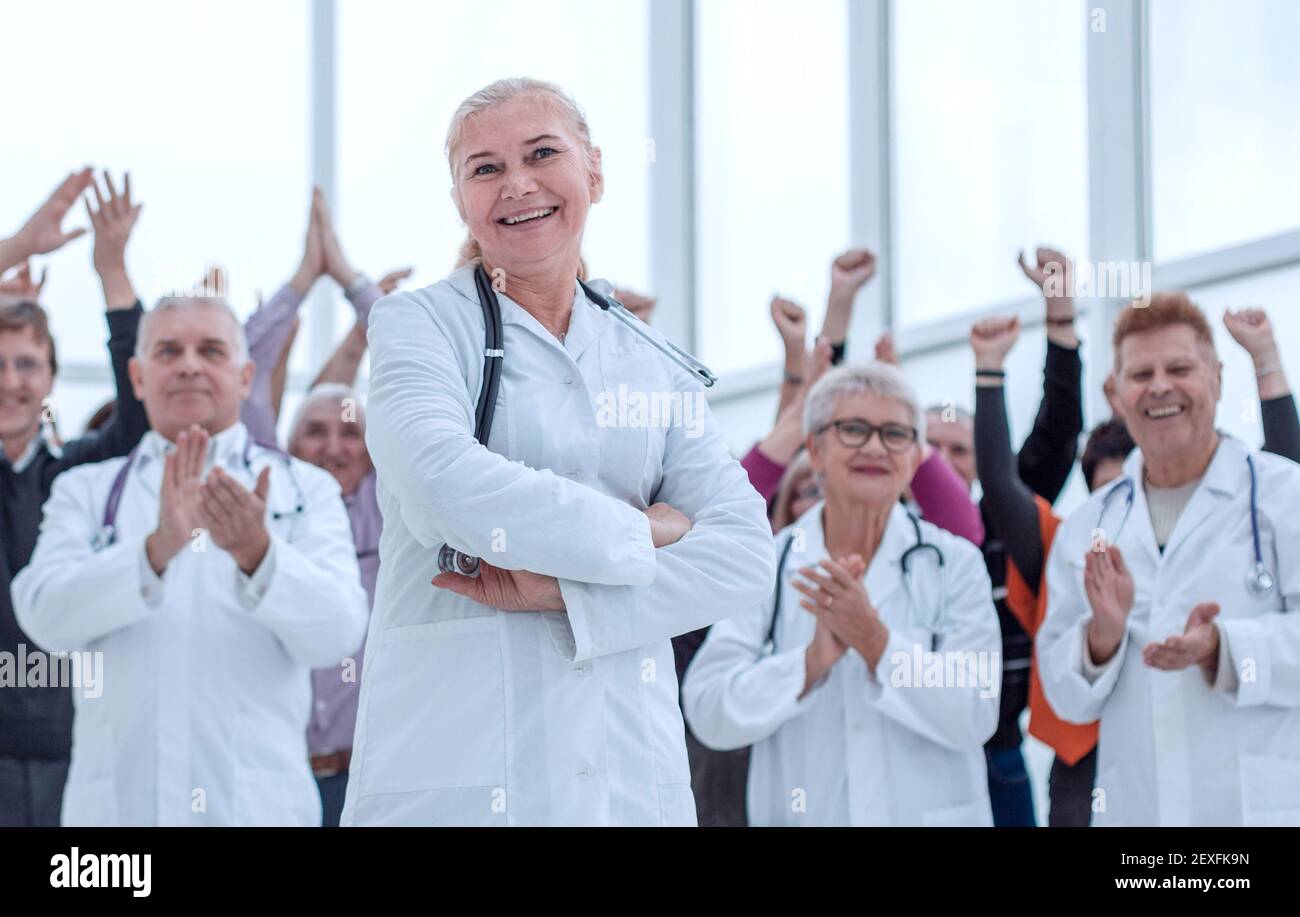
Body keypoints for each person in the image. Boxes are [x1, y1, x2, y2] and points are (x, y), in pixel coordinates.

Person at [340, 77, 774, 827]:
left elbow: (743, 556)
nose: (518, 184)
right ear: (461, 202)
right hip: (453, 778)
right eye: (485, 168)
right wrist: (647, 531)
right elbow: (442, 488)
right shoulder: (416, 325)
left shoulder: (652, 358)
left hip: (630, 785)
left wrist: (565, 595)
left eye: (543, 153)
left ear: (595, 172)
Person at [11, 293, 369, 826]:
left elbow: (338, 633)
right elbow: (44, 616)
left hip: (257, 810)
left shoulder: (304, 488)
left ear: (246, 376)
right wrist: (154, 552)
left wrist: (259, 555)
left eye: (210, 350)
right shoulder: (85, 490)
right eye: (168, 351)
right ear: (137, 377)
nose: (189, 366)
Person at [682, 363, 1001, 825]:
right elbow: (709, 710)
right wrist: (807, 665)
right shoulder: (768, 563)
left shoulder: (956, 563)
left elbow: (976, 712)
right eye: (853, 429)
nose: (874, 446)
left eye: (895, 434)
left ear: (914, 457)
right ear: (814, 448)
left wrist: (876, 643)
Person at [1037, 292, 1300, 826]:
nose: (1159, 386)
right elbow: (1066, 701)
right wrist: (1100, 639)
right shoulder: (1087, 528)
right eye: (1140, 374)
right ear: (1116, 393)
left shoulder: (1283, 496)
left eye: (1179, 367)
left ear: (1218, 378)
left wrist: (1225, 648)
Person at [0, 169, 151, 826]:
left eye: (26, 364)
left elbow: (141, 419)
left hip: (73, 746)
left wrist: (111, 272)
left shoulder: (77, 474)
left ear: (52, 377)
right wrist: (12, 247)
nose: (10, 381)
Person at [924, 247, 1084, 826]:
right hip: (909, 748)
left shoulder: (1004, 522)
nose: (942, 461)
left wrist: (1059, 312)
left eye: (959, 449)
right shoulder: (882, 534)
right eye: (929, 449)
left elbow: (1058, 431)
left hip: (999, 754)